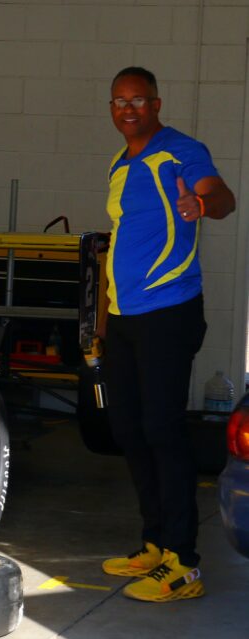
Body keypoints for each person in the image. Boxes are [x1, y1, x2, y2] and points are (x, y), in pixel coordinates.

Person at [99, 66, 235, 602]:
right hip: (125, 317)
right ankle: (154, 542)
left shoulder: (180, 150)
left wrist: (200, 204)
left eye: (138, 100)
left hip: (169, 311)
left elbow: (222, 197)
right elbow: (122, 241)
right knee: (128, 429)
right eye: (118, 101)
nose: (127, 109)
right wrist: (106, 318)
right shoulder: (120, 162)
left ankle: (183, 564)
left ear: (156, 103)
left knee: (162, 429)